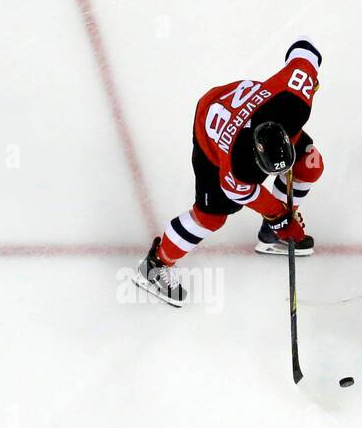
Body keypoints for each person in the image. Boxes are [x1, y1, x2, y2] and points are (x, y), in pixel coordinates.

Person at [134, 37, 325, 306]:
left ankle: (270, 237)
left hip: (253, 109)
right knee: (210, 218)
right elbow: (255, 198)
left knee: (311, 163)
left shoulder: (294, 104)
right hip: (211, 131)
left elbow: (305, 50)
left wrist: (282, 223)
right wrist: (281, 219)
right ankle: (155, 266)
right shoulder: (237, 170)